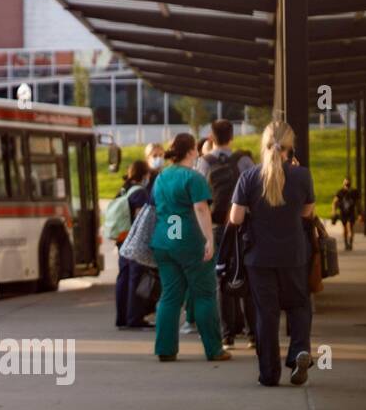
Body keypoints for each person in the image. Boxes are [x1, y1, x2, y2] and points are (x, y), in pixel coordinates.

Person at [229, 121, 316, 387]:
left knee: (266, 314)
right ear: (291, 147)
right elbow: (307, 212)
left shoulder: (250, 177)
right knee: (299, 305)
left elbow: (235, 217)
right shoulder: (302, 175)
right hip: (293, 254)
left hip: (259, 257)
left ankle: (269, 373)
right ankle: (299, 350)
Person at [149, 133, 229, 362]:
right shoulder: (193, 178)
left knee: (170, 296)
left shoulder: (162, 176)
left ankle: (165, 349)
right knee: (204, 294)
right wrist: (209, 240)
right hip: (190, 242)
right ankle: (214, 349)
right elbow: (201, 209)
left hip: (164, 241)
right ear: (192, 151)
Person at [196, 119, 257, 347]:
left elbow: (199, 196)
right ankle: (252, 334)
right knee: (247, 275)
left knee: (222, 278)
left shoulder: (204, 163)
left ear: (211, 138)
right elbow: (256, 189)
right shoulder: (243, 160)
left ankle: (227, 334)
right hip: (241, 226)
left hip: (216, 227)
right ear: (232, 137)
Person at [110, 159, 153, 329]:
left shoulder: (123, 189)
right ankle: (134, 318)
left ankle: (122, 317)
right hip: (134, 240)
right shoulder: (140, 193)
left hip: (122, 239)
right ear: (144, 175)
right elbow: (140, 218)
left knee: (123, 277)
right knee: (136, 278)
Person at [332, 177, 360, 251]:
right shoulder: (340, 192)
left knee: (351, 227)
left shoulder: (354, 192)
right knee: (345, 228)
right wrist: (334, 212)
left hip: (351, 212)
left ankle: (350, 243)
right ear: (343, 184)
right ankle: (346, 243)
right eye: (346, 184)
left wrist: (360, 213)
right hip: (343, 212)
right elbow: (335, 202)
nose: (347, 186)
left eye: (348, 184)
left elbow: (358, 203)